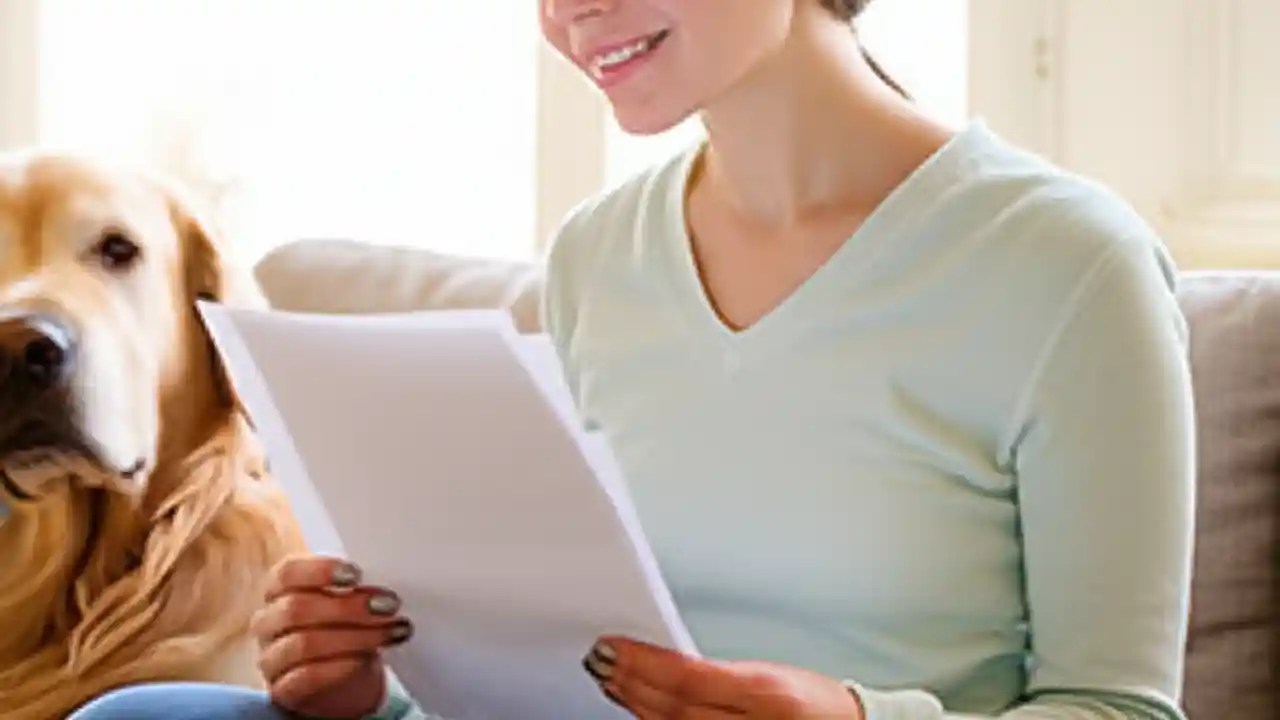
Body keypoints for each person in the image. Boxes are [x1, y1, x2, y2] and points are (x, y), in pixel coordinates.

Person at [72, 0, 1195, 718]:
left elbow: (1118, 707)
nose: (570, 13)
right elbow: (553, 654)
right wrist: (367, 682)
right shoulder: (599, 257)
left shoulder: (1065, 267)